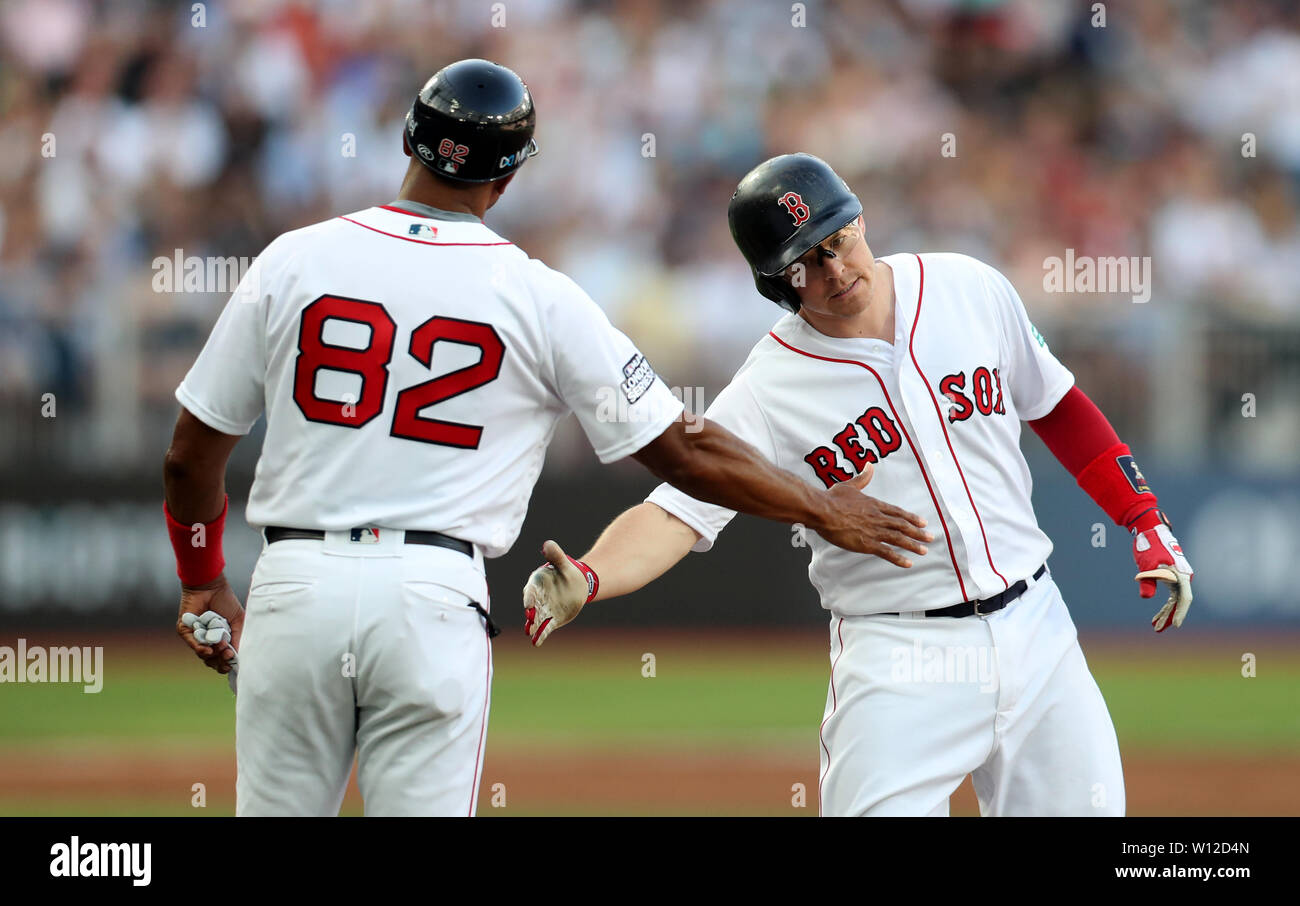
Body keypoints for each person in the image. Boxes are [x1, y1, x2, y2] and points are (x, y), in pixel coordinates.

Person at [162, 65, 929, 817]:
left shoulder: (294, 259)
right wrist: (818, 509)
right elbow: (685, 453)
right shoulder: (537, 295)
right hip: (428, 596)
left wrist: (202, 578)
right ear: (506, 179)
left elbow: (191, 454)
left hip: (295, 585)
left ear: (408, 140)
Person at [521, 153, 1195, 817]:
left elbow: (1055, 405)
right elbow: (678, 511)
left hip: (1036, 624)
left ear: (861, 222)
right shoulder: (769, 386)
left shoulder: (967, 287)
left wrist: (1143, 519)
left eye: (837, 240)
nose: (834, 268)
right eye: (804, 262)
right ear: (775, 283)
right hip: (899, 653)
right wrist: (589, 573)